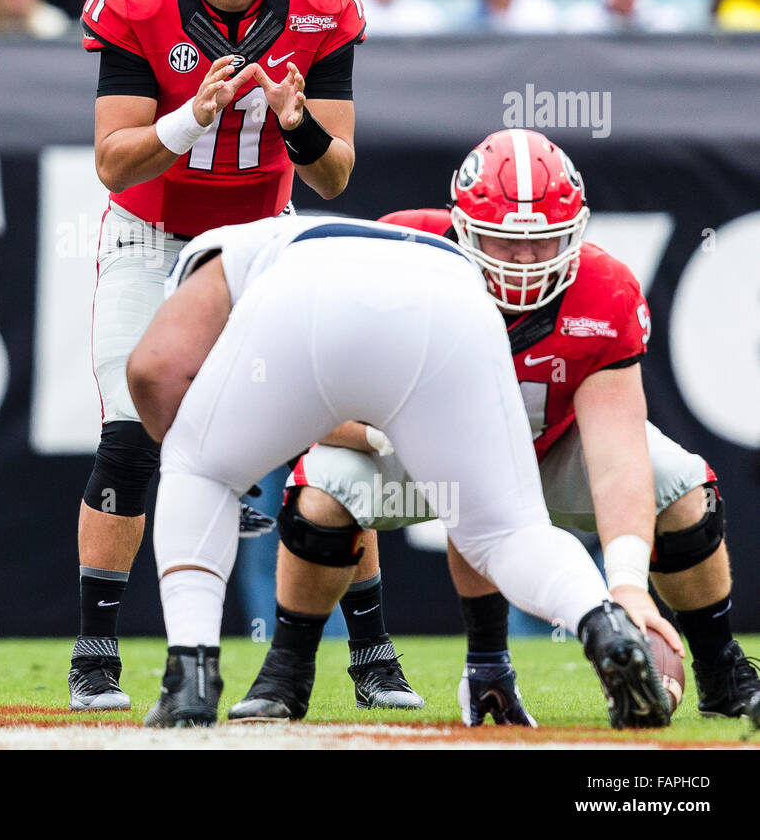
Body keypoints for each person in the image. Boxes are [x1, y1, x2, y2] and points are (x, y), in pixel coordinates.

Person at [232, 130, 760, 728]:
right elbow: (307, 402)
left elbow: (618, 455)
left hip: (549, 450)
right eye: (507, 245)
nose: (528, 263)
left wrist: (629, 586)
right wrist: (393, 433)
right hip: (416, 449)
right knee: (321, 488)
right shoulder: (400, 257)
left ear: (576, 231)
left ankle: (722, 670)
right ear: (462, 229)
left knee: (683, 486)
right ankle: (287, 669)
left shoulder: (603, 289)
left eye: (545, 243)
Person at [125, 211, 674, 729]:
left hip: (310, 299)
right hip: (458, 301)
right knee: (508, 531)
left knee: (195, 467)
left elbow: (154, 369)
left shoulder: (216, 256)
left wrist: (194, 455)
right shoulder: (374, 241)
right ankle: (601, 623)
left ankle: (191, 675)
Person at [71, 0, 372, 712]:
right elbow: (114, 165)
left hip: (259, 239)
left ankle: (371, 653)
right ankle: (96, 653)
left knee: (321, 434)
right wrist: (188, 120)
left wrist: (297, 125)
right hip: (151, 231)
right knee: (129, 436)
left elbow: (337, 174)